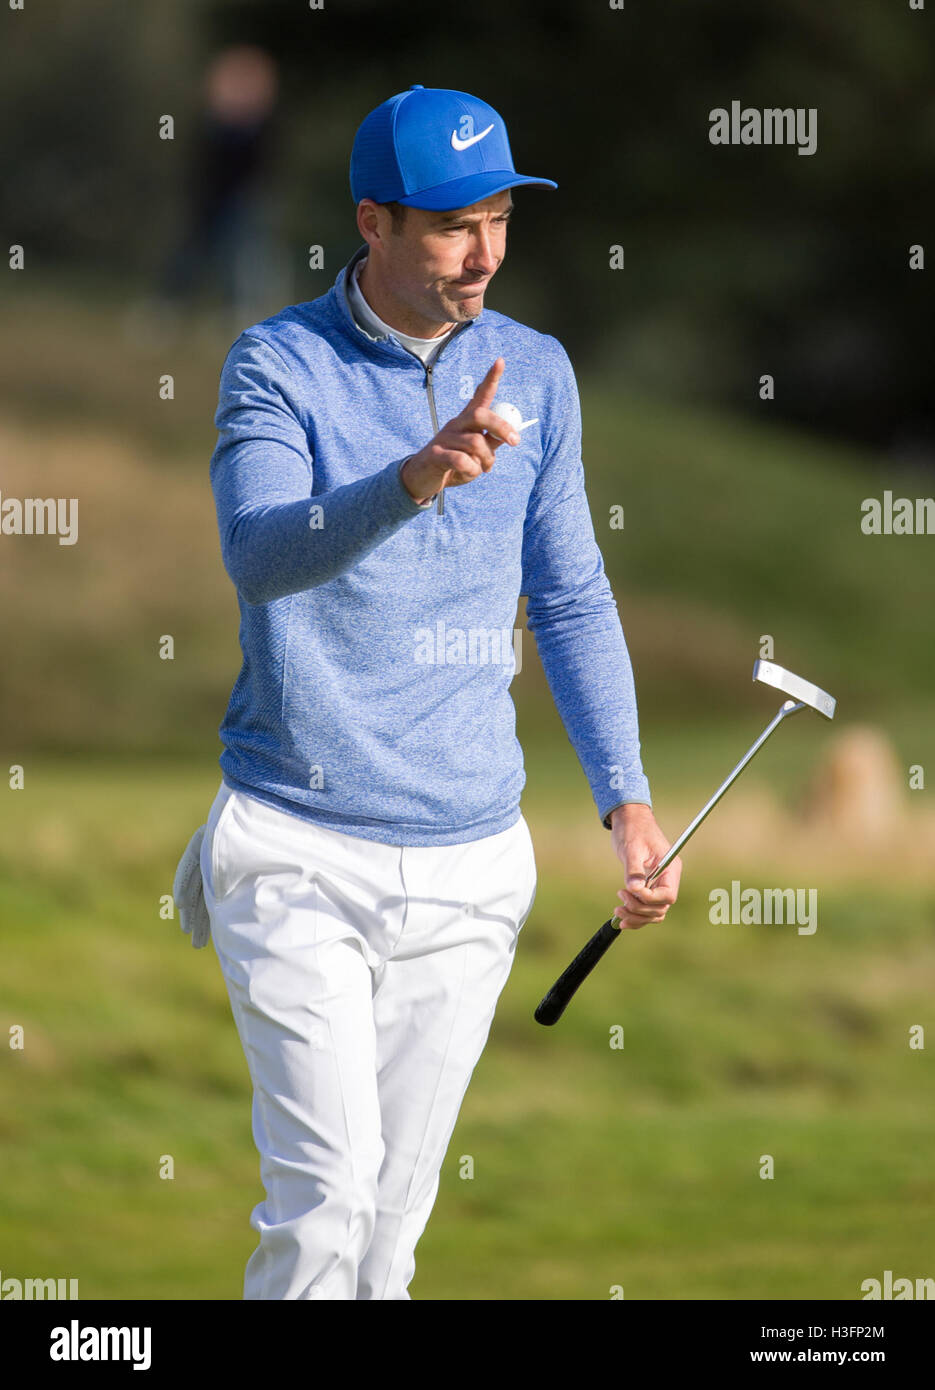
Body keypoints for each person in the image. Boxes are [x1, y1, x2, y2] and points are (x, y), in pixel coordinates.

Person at [189, 84, 682, 1301]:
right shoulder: (279, 364)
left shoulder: (541, 375)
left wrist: (625, 801)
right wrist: (407, 478)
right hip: (296, 845)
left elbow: (567, 596)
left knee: (388, 1240)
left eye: (501, 217)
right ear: (372, 221)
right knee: (323, 1202)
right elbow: (258, 549)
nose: (485, 252)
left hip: (471, 860)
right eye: (453, 225)